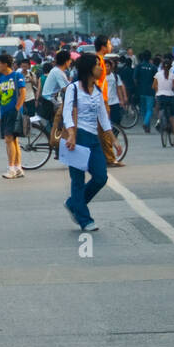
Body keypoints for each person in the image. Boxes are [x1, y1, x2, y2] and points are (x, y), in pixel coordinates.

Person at [61, 53, 112, 232]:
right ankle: (84, 219)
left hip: (94, 140)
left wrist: (111, 137)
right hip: (78, 137)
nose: (100, 68)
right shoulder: (73, 89)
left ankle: (74, 203)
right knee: (77, 180)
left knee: (101, 177)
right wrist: (71, 133)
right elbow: (67, 113)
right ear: (89, 69)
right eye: (97, 65)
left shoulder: (97, 90)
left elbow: (103, 117)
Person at [0, 53, 27, 179]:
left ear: (5, 64)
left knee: (8, 139)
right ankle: (18, 168)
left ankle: (11, 168)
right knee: (13, 140)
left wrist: (17, 108)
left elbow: (23, 93)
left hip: (14, 112)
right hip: (4, 112)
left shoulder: (17, 75)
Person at [135, 51, 157, 133]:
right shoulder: (153, 67)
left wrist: (138, 86)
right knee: (149, 109)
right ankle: (146, 123)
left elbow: (135, 78)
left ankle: (147, 127)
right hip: (150, 91)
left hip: (141, 91)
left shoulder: (139, 66)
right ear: (150, 57)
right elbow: (156, 80)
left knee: (143, 110)